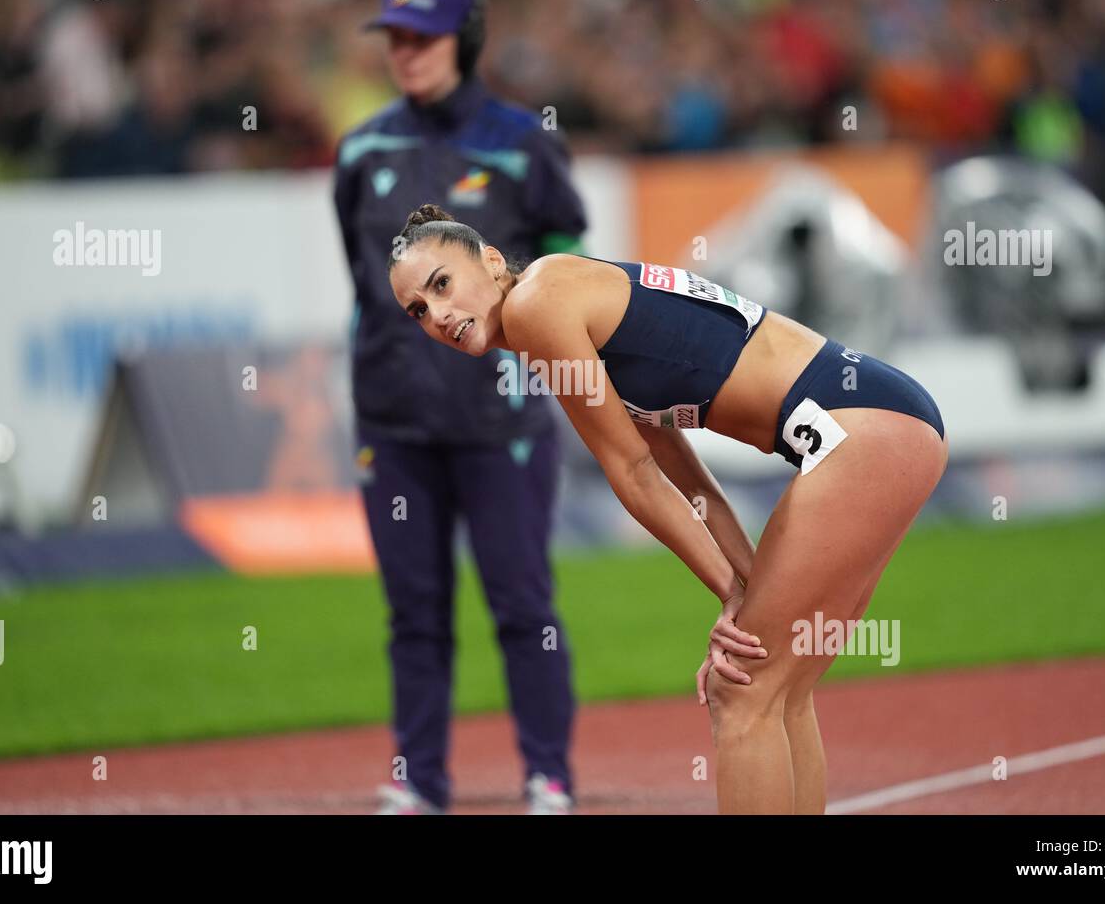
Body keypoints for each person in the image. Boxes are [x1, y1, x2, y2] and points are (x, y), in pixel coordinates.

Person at [388, 204, 949, 815]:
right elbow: (681, 472)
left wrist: (732, 596)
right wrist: (740, 585)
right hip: (884, 421)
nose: (438, 315)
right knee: (780, 689)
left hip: (861, 435)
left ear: (491, 260)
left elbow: (631, 471)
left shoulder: (534, 307)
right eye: (418, 310)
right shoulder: (566, 299)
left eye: (441, 284)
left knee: (741, 690)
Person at [332, 0, 587, 815]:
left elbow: (562, 271)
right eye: (395, 38)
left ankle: (548, 776)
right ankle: (419, 783)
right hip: (394, 422)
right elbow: (370, 285)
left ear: (465, 40)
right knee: (413, 612)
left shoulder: (522, 143)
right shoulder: (362, 150)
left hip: (499, 418)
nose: (406, 52)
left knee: (522, 602)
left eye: (424, 36)